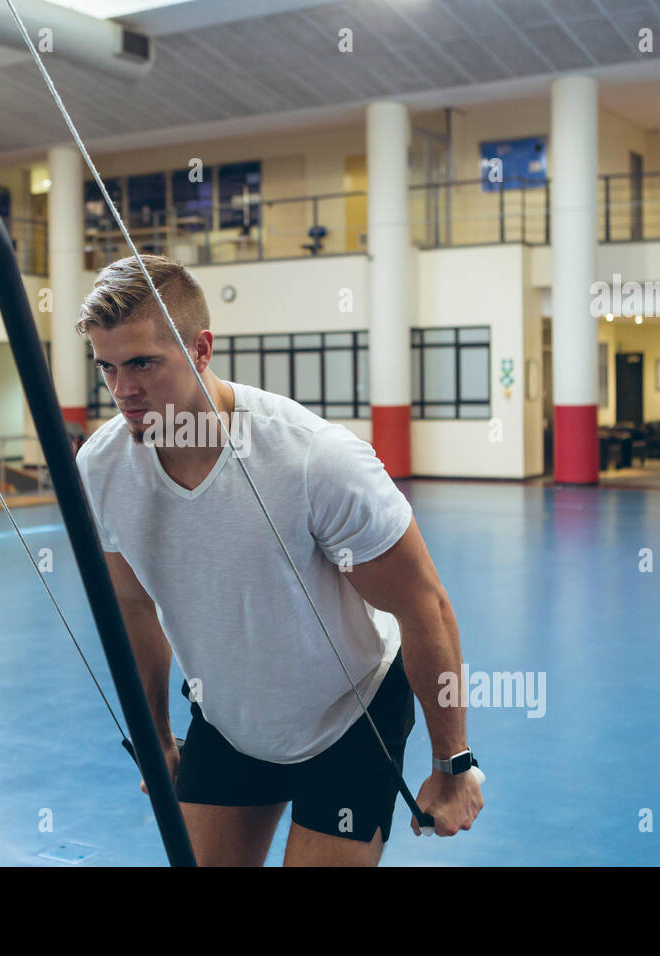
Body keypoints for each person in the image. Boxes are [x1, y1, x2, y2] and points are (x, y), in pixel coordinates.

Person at [73, 254, 482, 866]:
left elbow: (424, 605)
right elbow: (134, 606)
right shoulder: (103, 469)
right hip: (229, 716)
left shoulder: (314, 461)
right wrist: (156, 734)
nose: (124, 390)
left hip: (351, 714)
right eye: (106, 367)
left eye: (142, 364)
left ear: (201, 348)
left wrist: (453, 762)